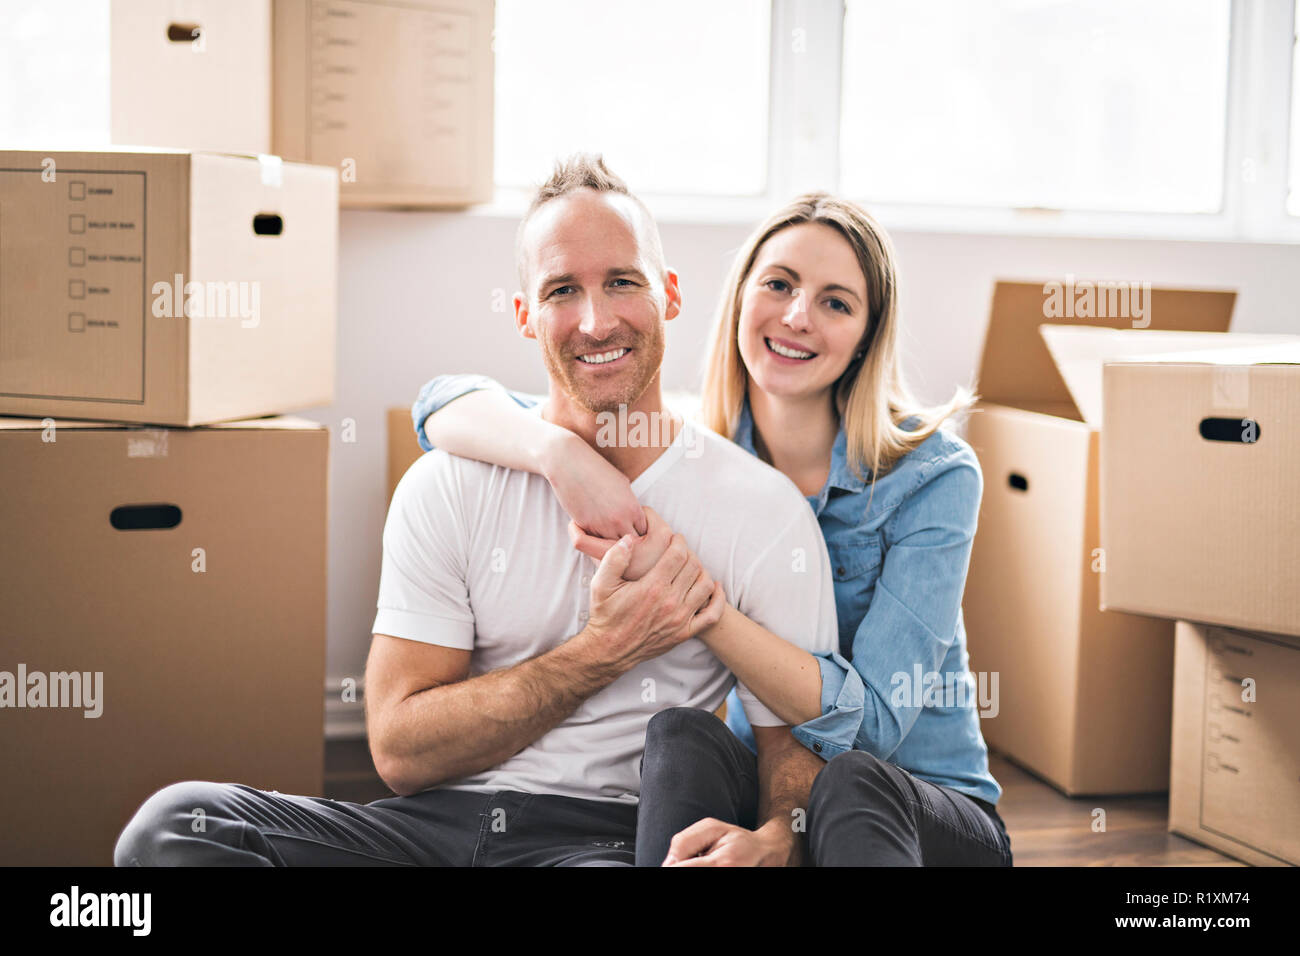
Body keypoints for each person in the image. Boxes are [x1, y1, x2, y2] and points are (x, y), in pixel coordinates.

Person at [112, 154, 838, 868]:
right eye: (561, 291)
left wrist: (782, 835)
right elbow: (400, 753)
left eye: (623, 282)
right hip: (431, 829)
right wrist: (603, 651)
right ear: (525, 315)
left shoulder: (761, 511)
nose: (595, 320)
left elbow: (789, 747)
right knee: (175, 828)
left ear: (669, 295)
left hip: (603, 840)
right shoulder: (450, 485)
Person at [411, 186, 1013, 866]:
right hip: (772, 790)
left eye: (835, 302)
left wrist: (695, 602)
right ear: (739, 302)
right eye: (778, 285)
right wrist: (558, 456)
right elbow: (442, 405)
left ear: (866, 334)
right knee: (678, 734)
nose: (796, 317)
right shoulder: (702, 452)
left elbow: (870, 725)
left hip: (913, 804)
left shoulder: (932, 474)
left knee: (851, 783)